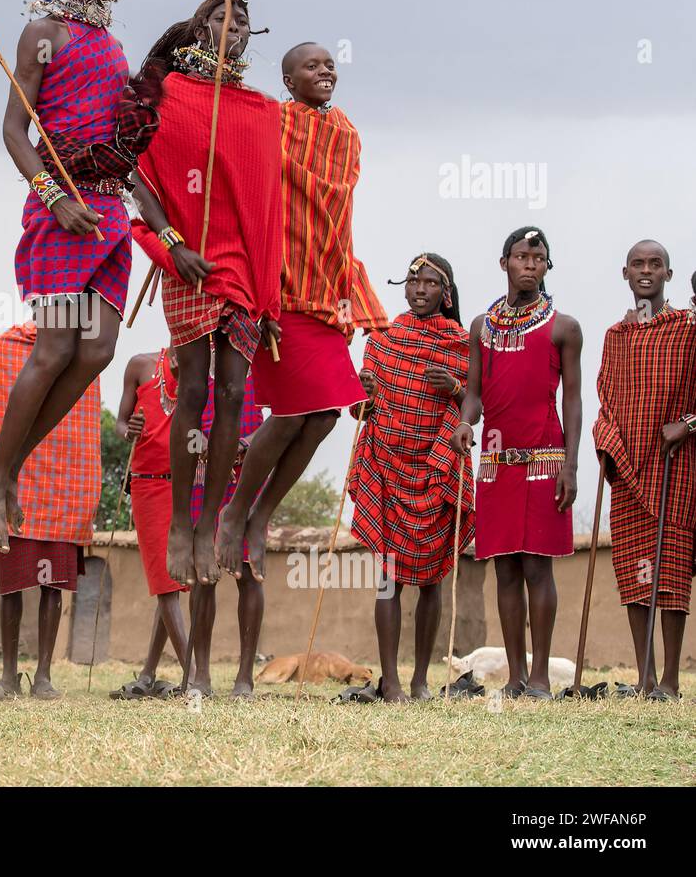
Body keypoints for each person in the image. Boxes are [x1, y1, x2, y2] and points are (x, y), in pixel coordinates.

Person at [0, 0, 157, 551]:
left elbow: (123, 144)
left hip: (107, 208)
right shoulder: (43, 32)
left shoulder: (113, 45)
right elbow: (12, 128)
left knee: (99, 349)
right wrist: (55, 198)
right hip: (60, 208)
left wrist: (156, 218)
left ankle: (7, 467)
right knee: (53, 349)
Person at [127, 0, 284, 588]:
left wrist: (268, 296)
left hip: (242, 267)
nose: (234, 25)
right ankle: (177, 525)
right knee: (192, 387)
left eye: (243, 18)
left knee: (234, 393)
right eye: (222, 16)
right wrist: (170, 243)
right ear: (200, 29)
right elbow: (134, 175)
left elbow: (268, 210)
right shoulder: (167, 95)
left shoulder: (262, 110)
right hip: (189, 261)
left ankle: (213, 518)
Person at [218, 42, 388, 581]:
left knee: (326, 414)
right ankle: (233, 513)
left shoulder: (347, 134)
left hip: (329, 287)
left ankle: (261, 515)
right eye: (311, 66)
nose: (325, 71)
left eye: (330, 64)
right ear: (288, 80)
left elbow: (338, 206)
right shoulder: (271, 121)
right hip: (282, 286)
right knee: (292, 412)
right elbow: (241, 177)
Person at [451, 227, 582, 699]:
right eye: (521, 257)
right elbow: (474, 393)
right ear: (504, 262)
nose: (529, 264)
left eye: (538, 258)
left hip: (545, 458)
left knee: (537, 568)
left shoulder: (564, 327)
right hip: (496, 461)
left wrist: (571, 465)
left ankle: (542, 677)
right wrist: (466, 422)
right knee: (504, 568)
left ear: (547, 266)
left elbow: (573, 400)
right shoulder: (482, 327)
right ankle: (515, 677)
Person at [348, 253, 474, 702]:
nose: (420, 290)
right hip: (387, 465)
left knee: (431, 579)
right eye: (413, 281)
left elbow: (476, 404)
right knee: (388, 577)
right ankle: (392, 682)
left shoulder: (463, 344)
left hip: (434, 469)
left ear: (447, 293)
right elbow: (360, 404)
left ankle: (421, 679)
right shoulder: (383, 339)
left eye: (430, 284)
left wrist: (455, 390)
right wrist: (361, 397)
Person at [113, 341, 264, 700]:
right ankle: (201, 676)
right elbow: (180, 425)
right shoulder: (193, 369)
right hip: (199, 475)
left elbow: (275, 421)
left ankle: (244, 678)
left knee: (247, 572)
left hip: (244, 476)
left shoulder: (254, 362)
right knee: (201, 576)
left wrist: (245, 444)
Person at [593, 240, 696, 700]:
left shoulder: (689, 329)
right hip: (628, 468)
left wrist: (688, 424)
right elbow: (606, 399)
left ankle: (671, 681)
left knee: (671, 570)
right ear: (625, 273)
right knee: (635, 572)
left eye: (656, 264)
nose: (646, 271)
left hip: (677, 465)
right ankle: (644, 678)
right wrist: (606, 440)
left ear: (669, 276)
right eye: (638, 264)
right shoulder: (615, 336)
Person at [0, 321, 100, 699]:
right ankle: (8, 674)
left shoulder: (82, 355)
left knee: (54, 585)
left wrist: (83, 486)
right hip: (21, 483)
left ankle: (44, 675)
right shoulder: (5, 348)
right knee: (12, 584)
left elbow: (84, 425)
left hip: (65, 485)